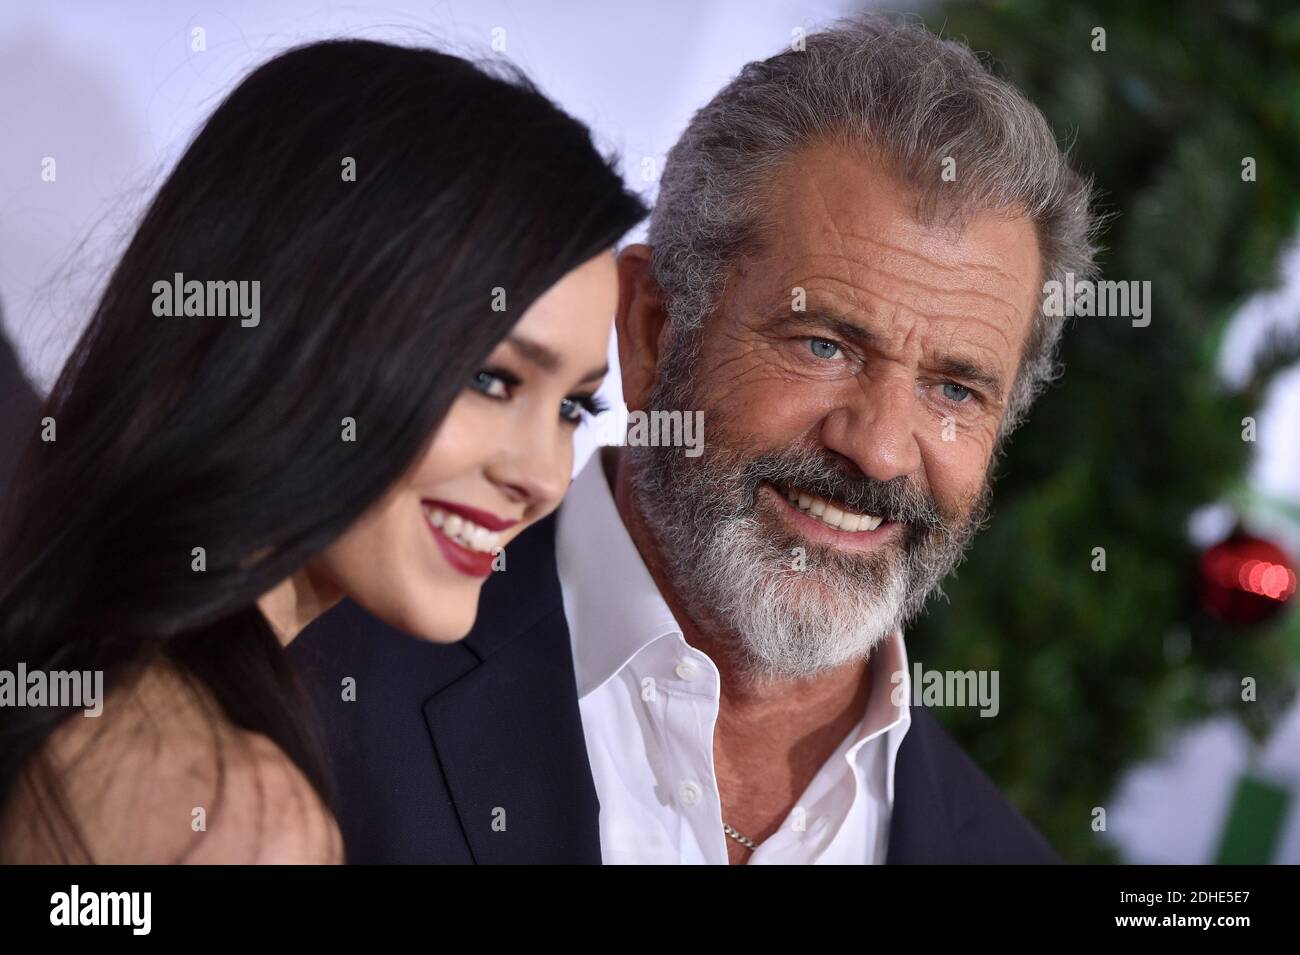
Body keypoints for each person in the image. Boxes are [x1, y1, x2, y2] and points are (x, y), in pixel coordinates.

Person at [294, 14, 1097, 863]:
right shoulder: (300, 678)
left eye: (955, 388)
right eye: (824, 345)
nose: (882, 449)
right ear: (650, 329)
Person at [0, 39, 646, 862]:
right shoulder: (228, 814)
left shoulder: (98, 694)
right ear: (302, 335)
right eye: (491, 378)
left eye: (573, 407)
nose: (542, 475)